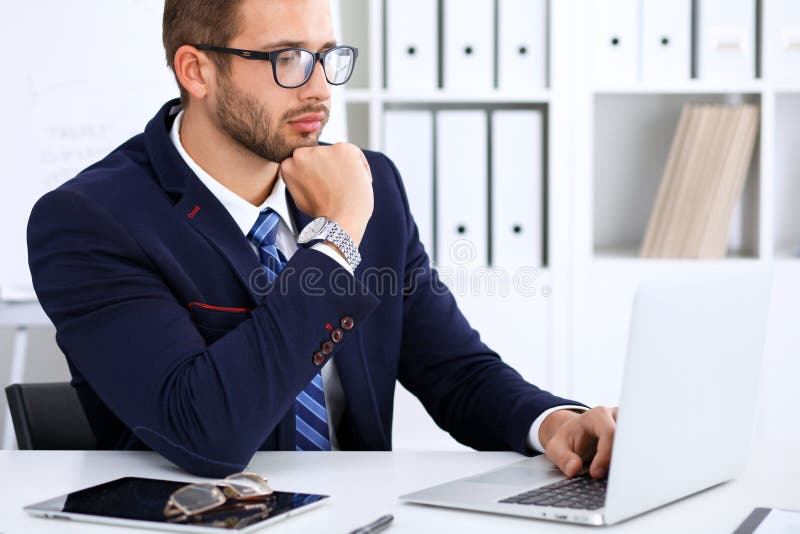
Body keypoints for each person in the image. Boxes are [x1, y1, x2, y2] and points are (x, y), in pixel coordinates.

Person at [27, 0, 617, 478]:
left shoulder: (366, 182)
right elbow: (207, 433)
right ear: (196, 70)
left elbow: (454, 370)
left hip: (359, 519)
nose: (319, 90)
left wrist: (554, 424)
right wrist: (335, 238)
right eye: (288, 58)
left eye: (326, 56)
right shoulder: (88, 222)